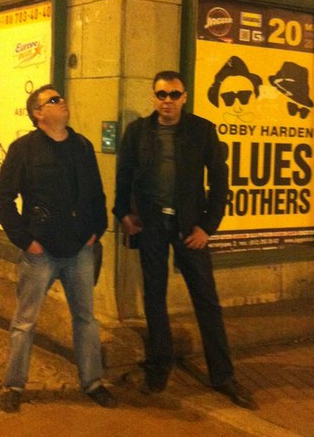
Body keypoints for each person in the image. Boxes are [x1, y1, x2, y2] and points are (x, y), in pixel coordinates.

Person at [113, 70, 256, 409]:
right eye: (162, 94)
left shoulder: (201, 130)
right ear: (153, 97)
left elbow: (220, 182)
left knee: (206, 299)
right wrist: (123, 213)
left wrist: (208, 227)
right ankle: (160, 366)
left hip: (190, 227)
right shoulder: (137, 132)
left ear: (184, 96)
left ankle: (223, 375)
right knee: (154, 297)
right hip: (151, 225)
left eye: (174, 94)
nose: (168, 100)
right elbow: (124, 175)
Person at [0, 84, 117, 412]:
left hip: (80, 250)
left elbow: (96, 194)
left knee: (86, 319)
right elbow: (2, 198)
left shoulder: (82, 146)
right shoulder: (24, 149)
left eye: (60, 98)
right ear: (38, 113)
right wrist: (25, 240)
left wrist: (96, 230)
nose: (62, 102)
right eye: (53, 100)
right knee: (25, 321)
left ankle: (93, 382)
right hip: (41, 252)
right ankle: (13, 385)